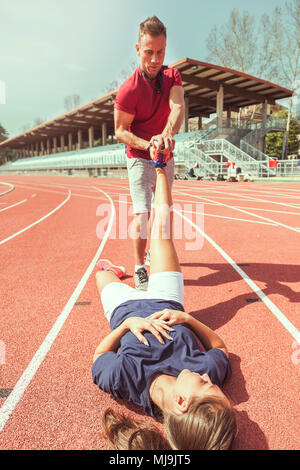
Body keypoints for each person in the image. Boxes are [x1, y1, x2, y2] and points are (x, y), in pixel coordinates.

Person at [92, 160, 237, 450]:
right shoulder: (201, 370)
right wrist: (188, 319)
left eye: (207, 385)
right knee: (162, 228)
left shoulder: (125, 380)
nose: (210, 377)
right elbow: (220, 349)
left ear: (181, 402)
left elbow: (100, 356)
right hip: (166, 297)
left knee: (102, 274)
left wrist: (125, 327)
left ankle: (120, 273)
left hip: (125, 310)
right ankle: (160, 167)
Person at [114, 16, 185, 290]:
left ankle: (155, 253)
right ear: (137, 49)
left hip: (164, 154)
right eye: (149, 52)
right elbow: (121, 131)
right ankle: (139, 266)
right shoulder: (128, 90)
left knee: (162, 210)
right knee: (142, 213)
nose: (155, 59)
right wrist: (148, 144)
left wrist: (165, 136)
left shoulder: (172, 75)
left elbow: (177, 107)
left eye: (161, 52)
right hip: (138, 155)